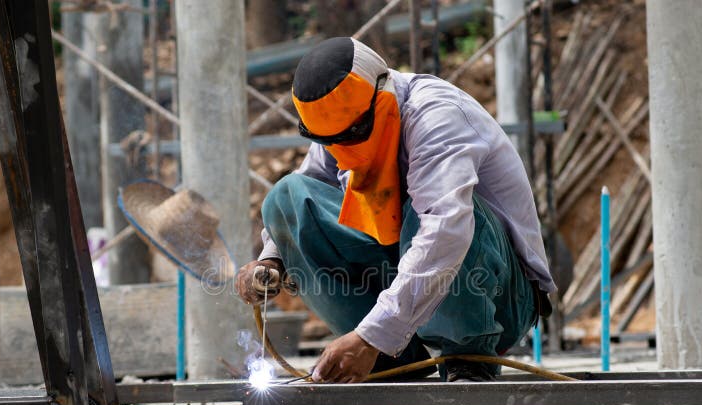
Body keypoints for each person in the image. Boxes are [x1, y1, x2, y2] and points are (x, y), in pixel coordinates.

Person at [236, 37, 554, 383]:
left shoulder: (437, 118)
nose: (342, 151)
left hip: (502, 297)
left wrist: (373, 334)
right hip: (408, 275)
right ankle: (385, 358)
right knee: (287, 199)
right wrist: (273, 260)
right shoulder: (339, 129)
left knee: (435, 215)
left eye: (352, 135)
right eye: (330, 142)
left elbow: (444, 231)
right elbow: (307, 193)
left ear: (380, 98)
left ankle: (466, 356)